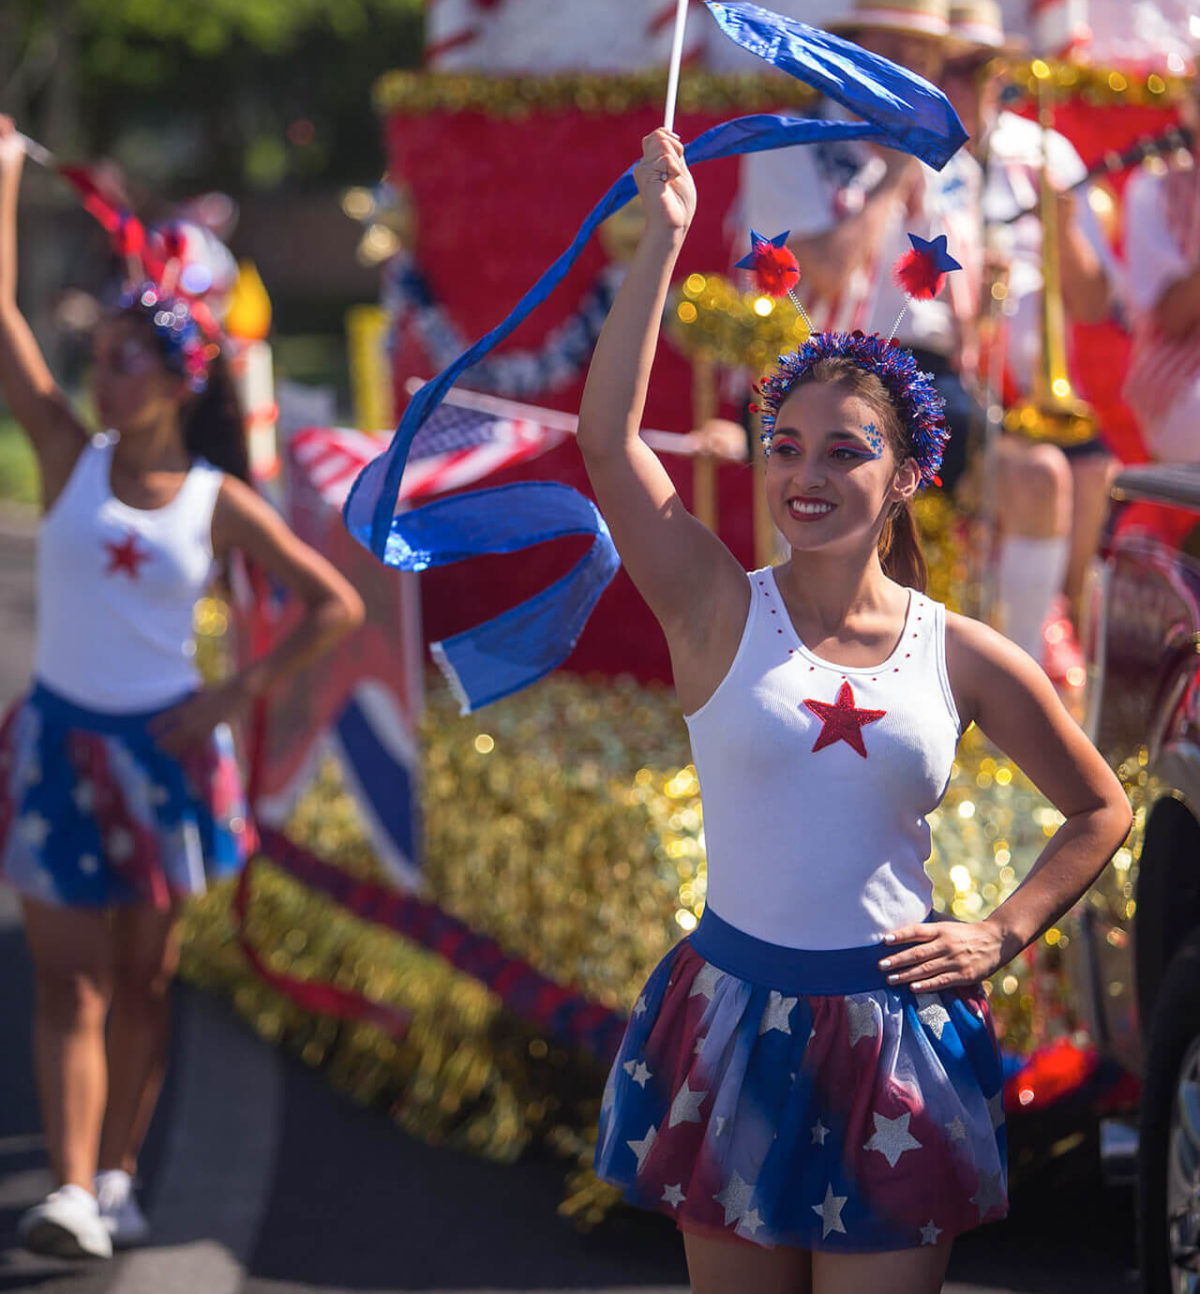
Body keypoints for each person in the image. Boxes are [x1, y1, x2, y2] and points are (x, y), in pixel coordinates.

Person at [578, 126, 1131, 1292]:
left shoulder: (964, 653)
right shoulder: (713, 607)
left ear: (907, 476)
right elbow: (606, 441)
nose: (805, 474)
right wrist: (665, 243)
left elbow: (1098, 809)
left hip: (895, 1047)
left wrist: (999, 931)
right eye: (784, 447)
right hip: (735, 1030)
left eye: (845, 449)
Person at [0, 116, 364, 1260]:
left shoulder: (219, 500)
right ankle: (68, 1190)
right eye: (100, 352)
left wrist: (233, 695)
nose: (101, 371)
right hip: (60, 745)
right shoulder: (66, 454)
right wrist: (5, 182)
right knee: (69, 985)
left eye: (124, 356)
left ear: (174, 377)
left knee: (142, 980)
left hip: (162, 753)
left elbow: (333, 606)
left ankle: (115, 1176)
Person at [941, 0, 1118, 680]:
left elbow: (1096, 301)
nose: (970, 84)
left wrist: (1064, 227)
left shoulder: (1045, 151)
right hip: (960, 380)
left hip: (1033, 392)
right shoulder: (914, 153)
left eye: (984, 69)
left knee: (1094, 468)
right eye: (956, 68)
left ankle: (1056, 624)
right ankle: (1015, 654)